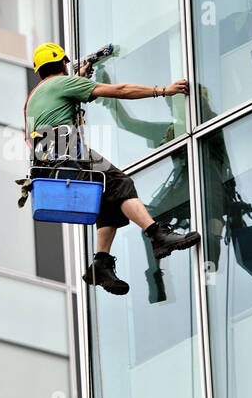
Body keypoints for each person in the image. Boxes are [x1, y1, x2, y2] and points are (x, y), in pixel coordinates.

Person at [24, 42, 200, 295]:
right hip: (65, 150)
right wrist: (163, 90)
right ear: (63, 64)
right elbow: (121, 90)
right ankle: (157, 235)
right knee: (121, 183)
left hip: (47, 160)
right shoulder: (62, 84)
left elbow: (56, 106)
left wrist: (80, 78)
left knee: (108, 198)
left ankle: (101, 264)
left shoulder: (36, 95)